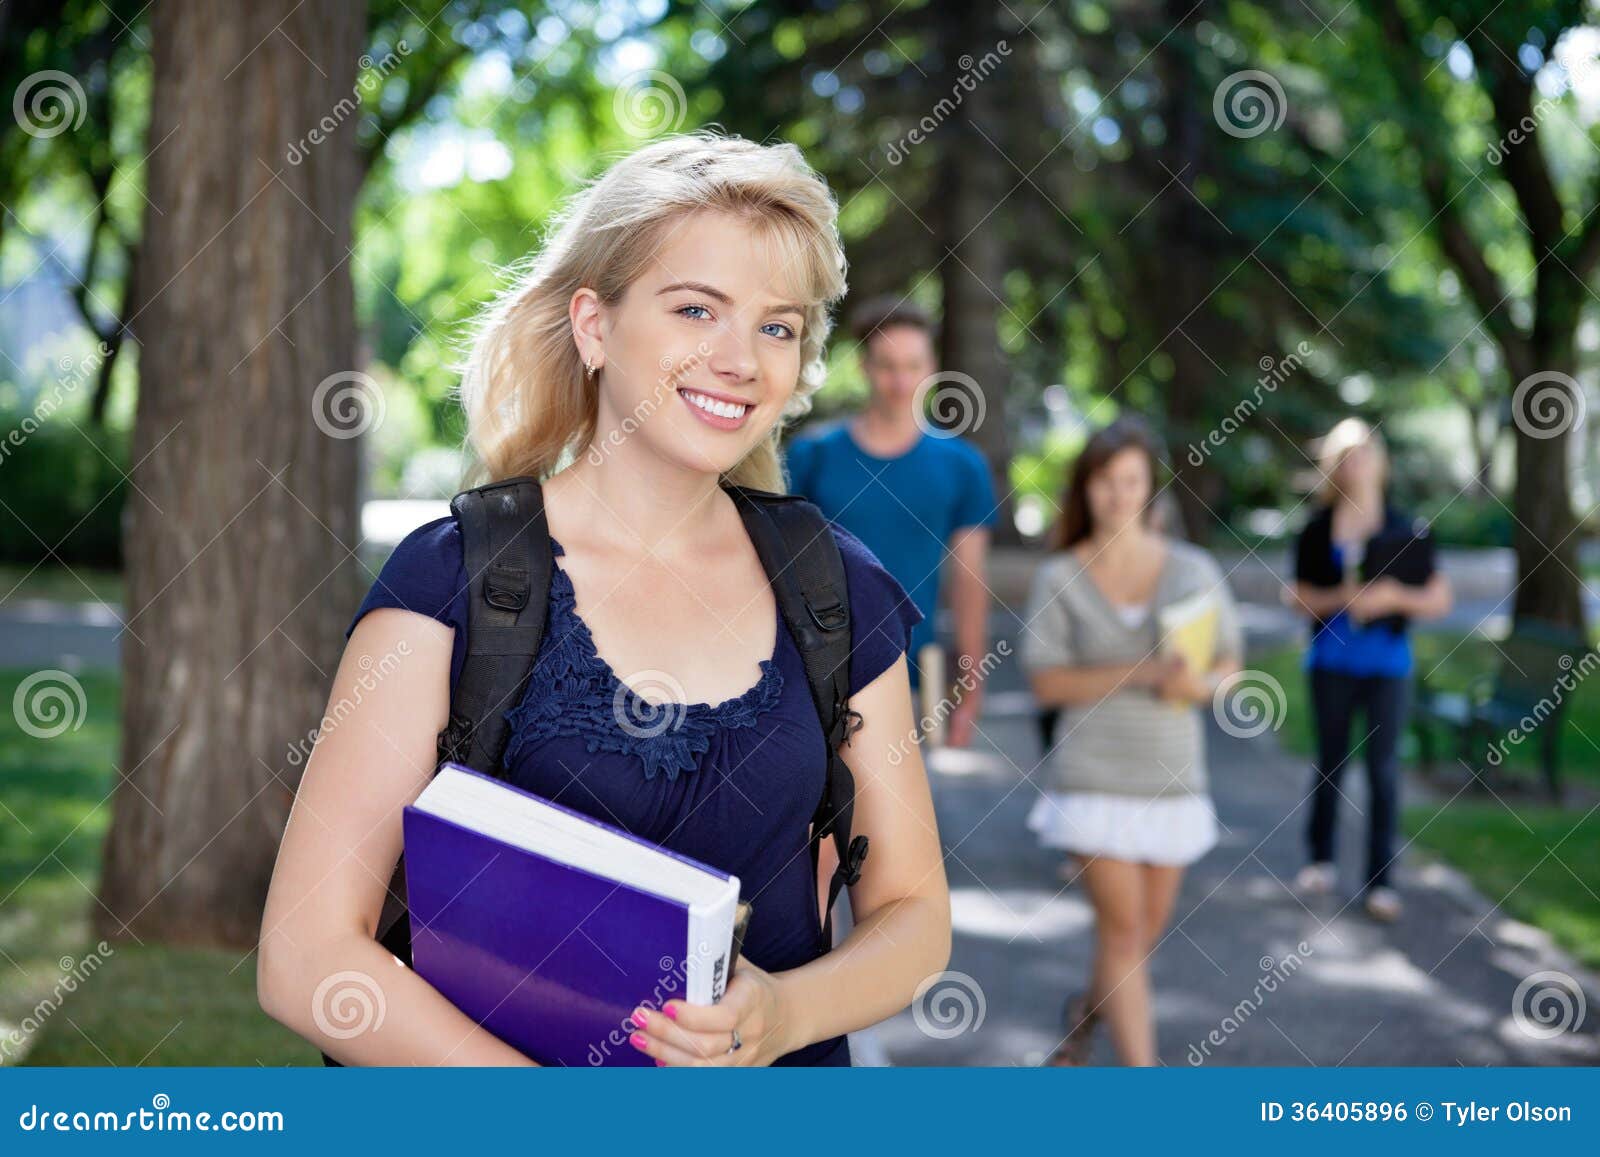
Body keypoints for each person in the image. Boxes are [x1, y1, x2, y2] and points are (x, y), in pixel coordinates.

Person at [256, 131, 952, 1067]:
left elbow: (914, 915)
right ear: (594, 324)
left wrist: (783, 1013)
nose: (741, 359)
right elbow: (306, 957)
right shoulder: (452, 584)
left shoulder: (836, 586)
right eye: (697, 309)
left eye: (778, 326)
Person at [1020, 417, 1243, 1066]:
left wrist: (1202, 685)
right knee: (1122, 934)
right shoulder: (1059, 576)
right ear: (1084, 488)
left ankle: (1085, 1016)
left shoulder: (1192, 569)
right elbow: (1046, 681)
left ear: (1151, 488)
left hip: (1173, 775)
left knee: (1138, 940)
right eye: (1103, 481)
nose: (1117, 494)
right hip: (1092, 776)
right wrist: (1145, 671)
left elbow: (1229, 663)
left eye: (1131, 480)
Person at [783, 298, 997, 748]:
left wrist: (971, 688)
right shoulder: (812, 457)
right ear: (864, 366)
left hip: (916, 681)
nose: (901, 382)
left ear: (932, 367)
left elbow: (969, 583)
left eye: (913, 366)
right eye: (887, 366)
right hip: (818, 680)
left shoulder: (963, 466)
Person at [1288, 418, 1451, 923]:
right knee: (1330, 761)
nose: (1356, 463)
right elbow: (1297, 597)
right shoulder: (1317, 528)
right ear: (1334, 466)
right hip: (1331, 663)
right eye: (1346, 455)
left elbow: (1439, 598)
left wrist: (1393, 597)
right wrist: (1343, 597)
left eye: (1365, 453)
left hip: (1387, 666)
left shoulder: (1406, 528)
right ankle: (1320, 858)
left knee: (1383, 770)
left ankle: (1381, 882)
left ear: (1381, 462)